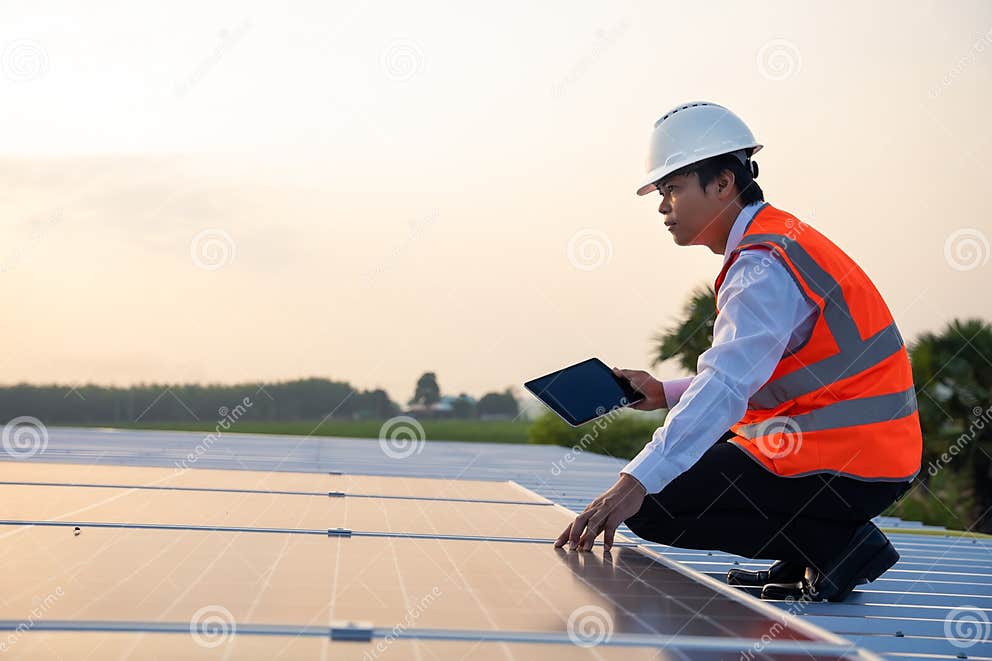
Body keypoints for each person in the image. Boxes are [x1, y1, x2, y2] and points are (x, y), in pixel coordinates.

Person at [553, 101, 922, 603]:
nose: (663, 206)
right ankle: (806, 553)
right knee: (704, 449)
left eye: (673, 189)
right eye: (661, 193)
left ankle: (836, 545)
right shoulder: (778, 242)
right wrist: (665, 392)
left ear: (723, 183)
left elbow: (726, 385)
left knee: (652, 504)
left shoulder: (761, 266)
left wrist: (633, 481)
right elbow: (764, 376)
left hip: (852, 463)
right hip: (865, 454)